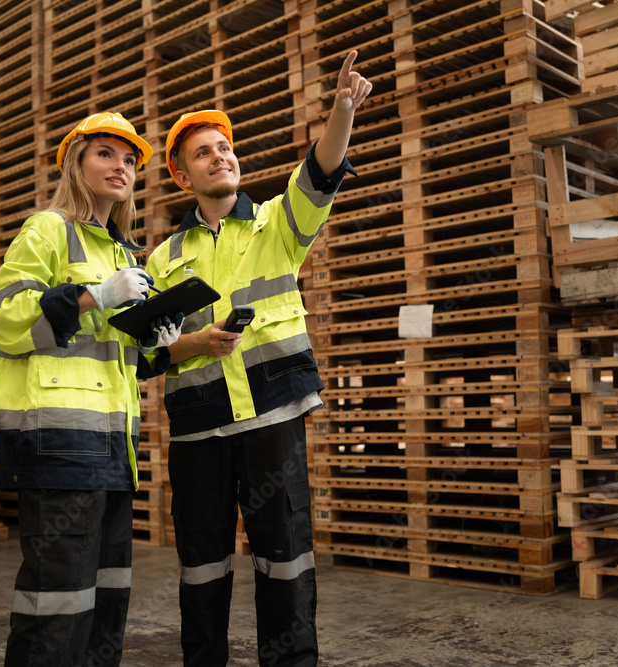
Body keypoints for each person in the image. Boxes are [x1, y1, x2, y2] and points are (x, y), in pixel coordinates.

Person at [146, 51, 372, 666]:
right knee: (201, 564)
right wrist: (194, 342)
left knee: (285, 557)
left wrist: (342, 112)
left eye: (225, 146)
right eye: (204, 152)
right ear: (182, 176)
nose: (221, 156)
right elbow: (148, 350)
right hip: (199, 431)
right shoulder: (162, 259)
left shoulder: (277, 223)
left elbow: (320, 171)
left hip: (272, 417)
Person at [0, 111, 181, 667]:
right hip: (56, 444)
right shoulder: (46, 229)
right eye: (106, 154)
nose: (120, 167)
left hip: (113, 450)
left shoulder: (123, 254)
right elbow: (6, 324)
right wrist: (93, 296)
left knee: (104, 597)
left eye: (129, 161)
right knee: (57, 599)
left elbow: (115, 358)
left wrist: (151, 339)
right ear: (76, 162)